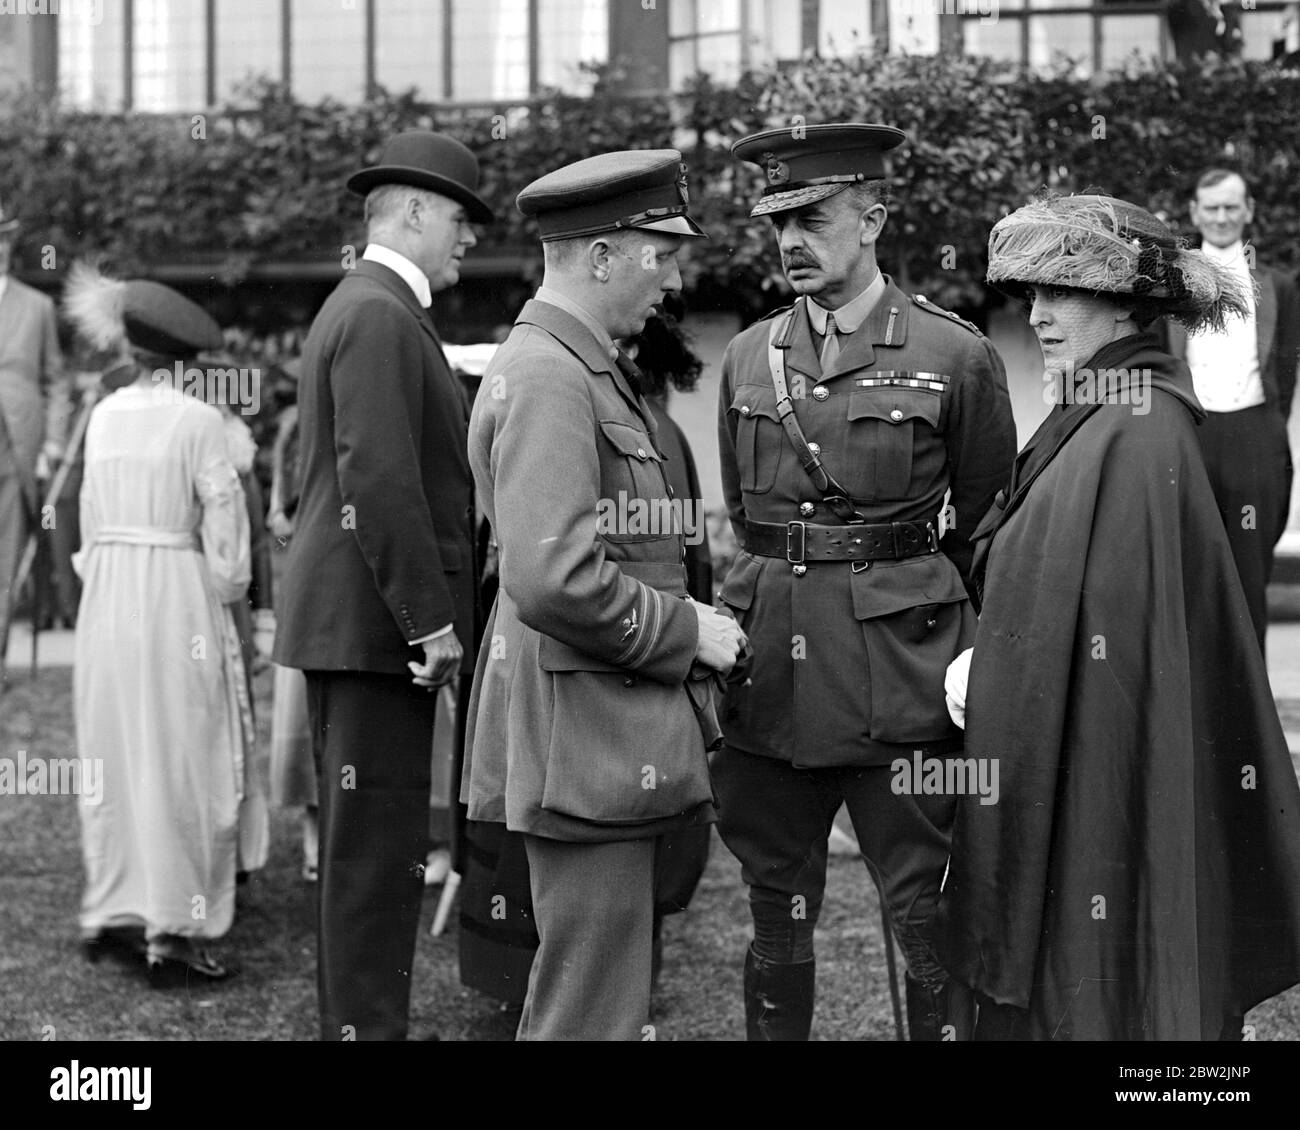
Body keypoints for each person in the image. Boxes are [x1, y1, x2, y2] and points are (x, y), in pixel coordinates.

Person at [938, 193, 1300, 1040]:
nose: (1038, 316)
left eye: (1062, 293)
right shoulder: (1100, 405)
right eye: (1029, 294)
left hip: (1097, 783)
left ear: (1129, 302)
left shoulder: (1139, 430)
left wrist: (994, 669)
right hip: (1057, 756)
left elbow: (1126, 663)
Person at [714, 123, 1017, 1040]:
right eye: (778, 225)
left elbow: (986, 523)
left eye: (812, 219)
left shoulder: (953, 354)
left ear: (873, 218)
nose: (791, 243)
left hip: (904, 683)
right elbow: (750, 518)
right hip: (772, 687)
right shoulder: (747, 359)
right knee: (776, 908)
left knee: (925, 910)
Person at [460, 149, 746, 1041]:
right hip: (585, 736)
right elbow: (552, 575)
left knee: (598, 993)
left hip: (597, 728)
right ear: (601, 256)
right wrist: (685, 630)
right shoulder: (550, 373)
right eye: (660, 255)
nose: (672, 278)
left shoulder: (575, 364)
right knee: (590, 1011)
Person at [273, 130, 490, 1041]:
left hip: (364, 631)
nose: (468, 239)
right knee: (373, 859)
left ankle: (362, 1026)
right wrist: (429, 625)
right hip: (375, 635)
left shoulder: (372, 308)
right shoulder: (376, 313)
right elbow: (380, 481)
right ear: (409, 212)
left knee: (375, 853)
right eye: (457, 218)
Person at [65, 264, 250, 981]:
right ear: (186, 357)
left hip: (109, 592)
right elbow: (227, 543)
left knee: (113, 744)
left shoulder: (103, 416)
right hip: (176, 588)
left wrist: (104, 572)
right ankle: (172, 929)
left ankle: (114, 908)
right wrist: (228, 587)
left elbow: (85, 524)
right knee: (181, 751)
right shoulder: (201, 422)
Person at [1162, 168, 1300, 652]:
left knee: (1248, 576)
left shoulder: (1277, 284)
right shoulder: (1173, 281)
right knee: (1187, 571)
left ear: (1248, 211)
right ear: (1196, 212)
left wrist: (1266, 431)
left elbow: (1284, 369)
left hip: (1254, 436)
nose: (1221, 217)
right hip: (1190, 432)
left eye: (1231, 206)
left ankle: (1250, 715)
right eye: (1211, 207)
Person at [0, 198, 70, 666]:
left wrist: (51, 443)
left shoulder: (37, 306)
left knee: (6, 557)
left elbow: (57, 380)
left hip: (16, 448)